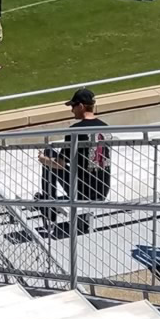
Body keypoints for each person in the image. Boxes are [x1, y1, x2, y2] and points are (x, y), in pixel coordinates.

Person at [37, 90, 111, 228]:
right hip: (103, 189)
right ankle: (48, 207)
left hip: (83, 192)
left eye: (73, 106)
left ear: (81, 106)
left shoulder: (75, 130)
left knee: (49, 154)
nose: (72, 110)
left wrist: (43, 159)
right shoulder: (105, 127)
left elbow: (60, 164)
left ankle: (49, 211)